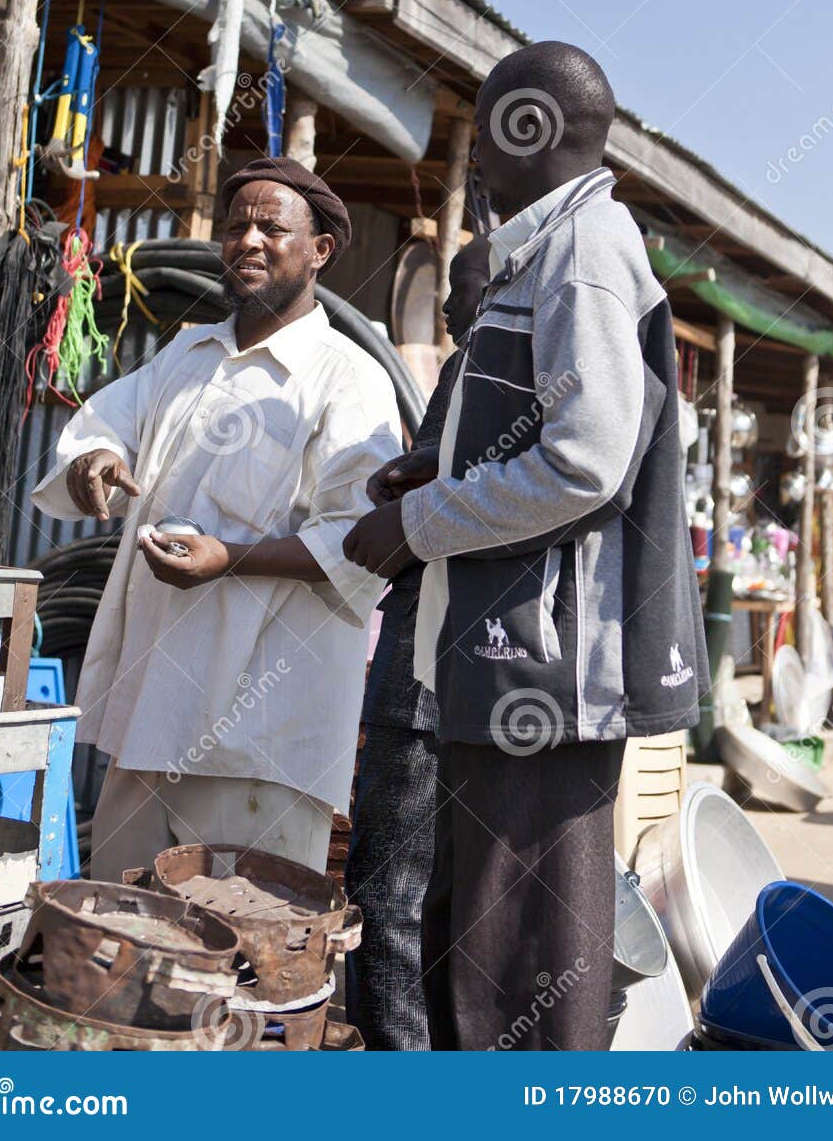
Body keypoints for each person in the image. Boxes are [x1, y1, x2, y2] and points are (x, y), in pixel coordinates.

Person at [344, 41, 709, 1051]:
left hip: (540, 679)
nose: (473, 161)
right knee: (475, 955)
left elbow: (584, 461)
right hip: (502, 673)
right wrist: (438, 471)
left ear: (528, 128)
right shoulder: (547, 252)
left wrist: (415, 526)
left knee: (515, 979)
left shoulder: (584, 250)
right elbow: (557, 434)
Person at [32, 156, 400, 880]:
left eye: (272, 228)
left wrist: (229, 559)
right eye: (236, 228)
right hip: (149, 718)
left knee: (242, 956)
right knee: (121, 937)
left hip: (258, 739)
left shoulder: (347, 380)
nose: (249, 242)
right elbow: (106, 422)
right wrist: (95, 459)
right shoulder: (189, 352)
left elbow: (362, 540)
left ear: (319, 250)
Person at [345, 236, 491, 1052]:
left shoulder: (488, 369)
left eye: (464, 294)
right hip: (471, 681)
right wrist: (408, 476)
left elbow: (458, 513)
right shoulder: (485, 376)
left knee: (389, 900)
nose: (449, 309)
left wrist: (402, 517)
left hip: (429, 676)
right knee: (431, 900)